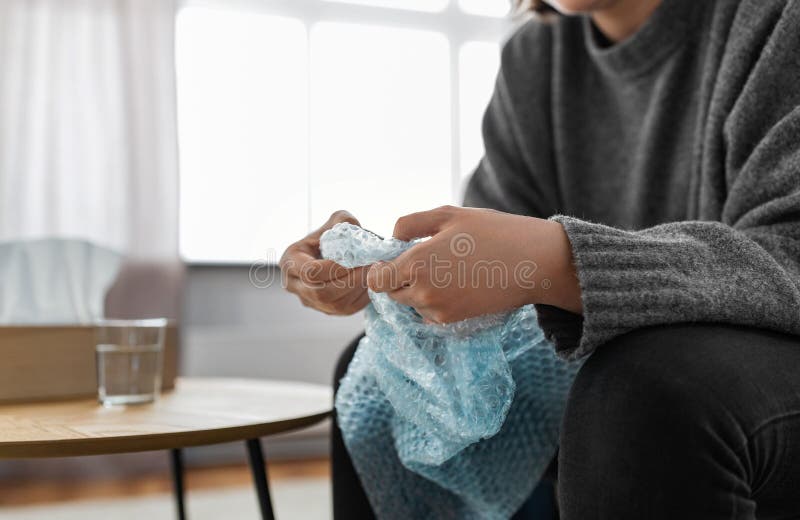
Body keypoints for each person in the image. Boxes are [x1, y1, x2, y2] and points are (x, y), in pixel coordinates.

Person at [280, 0, 800, 517]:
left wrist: (554, 262)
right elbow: (495, 261)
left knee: (641, 393)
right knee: (380, 373)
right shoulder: (536, 59)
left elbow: (790, 247)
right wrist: (390, 274)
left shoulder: (775, 17)